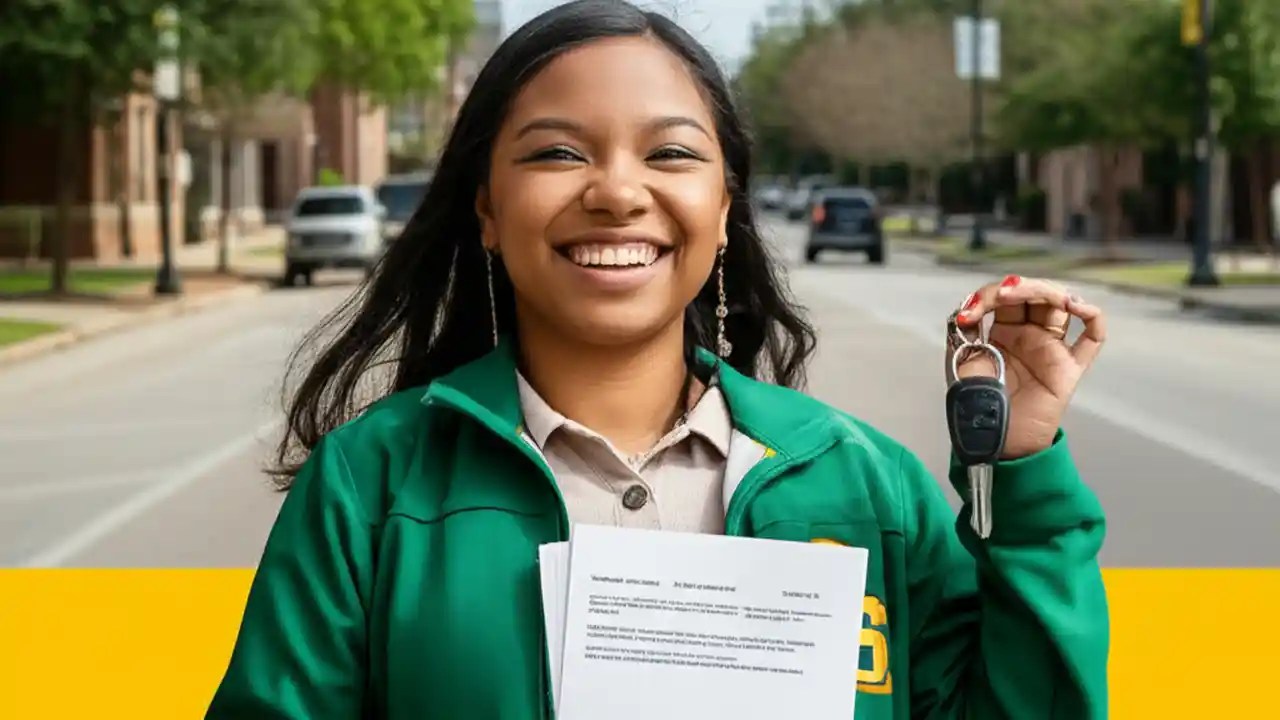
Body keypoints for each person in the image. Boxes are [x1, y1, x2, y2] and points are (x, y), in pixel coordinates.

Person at [206, 1, 1110, 718]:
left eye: (670, 152)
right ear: (487, 209)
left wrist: (1020, 472)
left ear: (723, 209)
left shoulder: (868, 487)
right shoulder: (370, 483)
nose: (616, 191)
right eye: (558, 153)